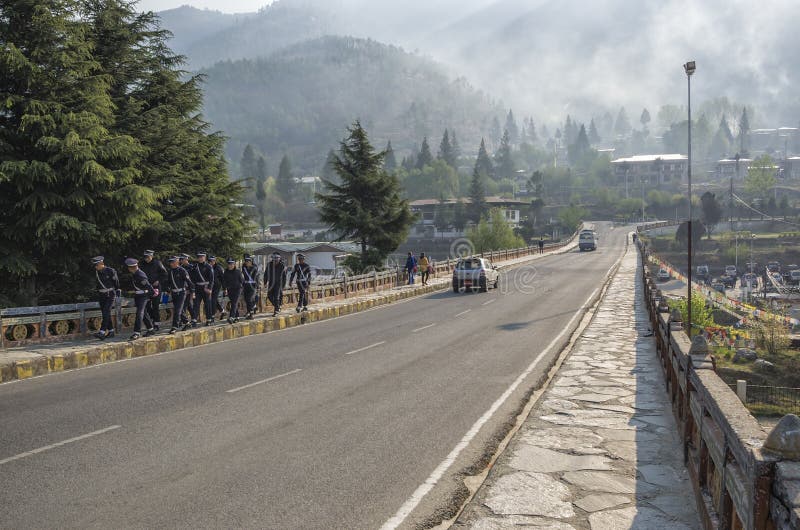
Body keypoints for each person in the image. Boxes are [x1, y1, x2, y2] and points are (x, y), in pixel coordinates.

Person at [126, 258, 155, 340]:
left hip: (143, 296)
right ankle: (151, 329)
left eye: (129, 267)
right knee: (144, 313)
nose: (128, 269)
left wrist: (151, 295)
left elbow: (149, 287)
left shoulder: (140, 274)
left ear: (132, 267)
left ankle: (137, 332)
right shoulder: (135, 274)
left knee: (139, 313)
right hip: (138, 295)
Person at [92, 256, 119, 340]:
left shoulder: (110, 271)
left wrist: (117, 290)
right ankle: (111, 331)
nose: (95, 267)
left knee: (106, 311)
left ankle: (102, 332)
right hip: (101, 294)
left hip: (110, 294)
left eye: (97, 265)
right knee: (105, 313)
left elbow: (116, 282)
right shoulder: (97, 272)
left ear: (101, 264)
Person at [166, 255, 194, 334]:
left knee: (177, 310)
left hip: (182, 293)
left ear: (177, 262)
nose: (171, 263)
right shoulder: (170, 271)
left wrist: (192, 292)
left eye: (173, 262)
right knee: (180, 310)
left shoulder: (182, 270)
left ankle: (174, 327)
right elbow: (168, 282)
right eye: (170, 262)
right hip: (174, 293)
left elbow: (189, 282)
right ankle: (187, 323)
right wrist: (167, 290)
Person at [141, 250, 167, 331]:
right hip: (147, 288)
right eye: (145, 257)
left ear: (151, 256)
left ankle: (157, 324)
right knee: (148, 306)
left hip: (156, 288)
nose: (146, 259)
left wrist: (158, 281)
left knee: (155, 306)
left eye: (148, 257)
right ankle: (151, 321)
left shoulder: (157, 263)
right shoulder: (142, 264)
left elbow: (165, 274)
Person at [190, 251, 215, 326]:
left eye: (202, 257)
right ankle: (194, 320)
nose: (200, 258)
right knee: (196, 304)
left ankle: (209, 319)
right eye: (199, 257)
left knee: (207, 304)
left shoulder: (208, 266)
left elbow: (211, 279)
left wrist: (210, 289)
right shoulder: (195, 266)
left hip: (206, 288)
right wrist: (193, 290)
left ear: (205, 257)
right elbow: (192, 279)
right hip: (198, 288)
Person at [222, 258, 244, 324]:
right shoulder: (225, 272)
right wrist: (225, 289)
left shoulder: (238, 271)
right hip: (230, 289)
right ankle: (237, 317)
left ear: (234, 264)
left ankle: (231, 317)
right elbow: (224, 282)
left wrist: (241, 287)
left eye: (232, 264)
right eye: (229, 264)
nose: (230, 265)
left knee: (234, 302)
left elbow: (242, 280)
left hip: (237, 289)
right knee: (233, 303)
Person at [179, 253, 197, 326]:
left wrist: (192, 290)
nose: (182, 261)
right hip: (184, 289)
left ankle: (185, 320)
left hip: (189, 289)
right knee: (188, 305)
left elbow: (193, 280)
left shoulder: (191, 267)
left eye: (183, 259)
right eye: (181, 259)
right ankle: (193, 318)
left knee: (184, 306)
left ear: (187, 259)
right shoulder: (180, 267)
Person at [242, 255, 259, 319]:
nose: (247, 262)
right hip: (246, 285)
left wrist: (257, 286)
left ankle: (251, 313)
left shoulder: (254, 267)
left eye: (248, 261)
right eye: (246, 261)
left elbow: (256, 277)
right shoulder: (244, 267)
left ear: (251, 261)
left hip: (253, 286)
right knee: (246, 300)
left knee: (249, 299)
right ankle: (250, 311)